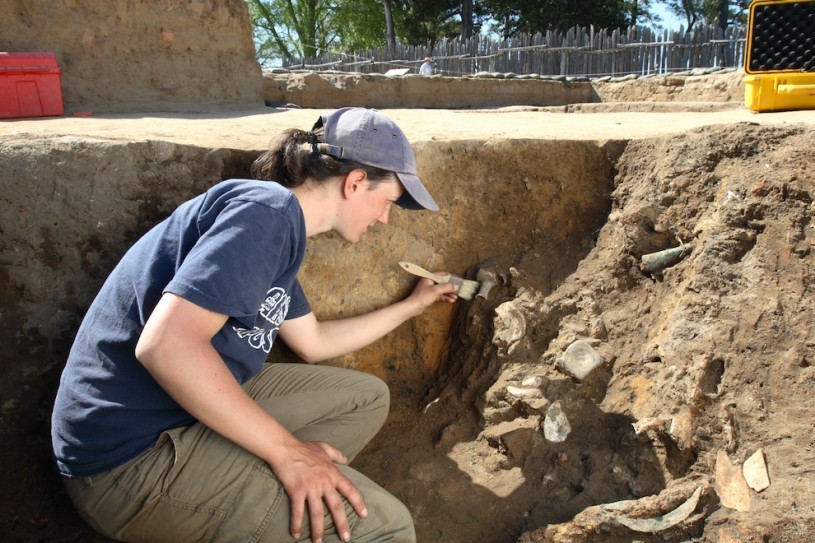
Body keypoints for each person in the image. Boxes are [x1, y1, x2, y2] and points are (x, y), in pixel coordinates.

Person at [51, 107, 458, 543]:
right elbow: (166, 347)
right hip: (127, 461)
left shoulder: (279, 227)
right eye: (389, 202)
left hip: (174, 417)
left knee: (366, 398)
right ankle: (270, 485)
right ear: (355, 182)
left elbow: (313, 342)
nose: (384, 219)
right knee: (389, 528)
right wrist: (287, 451)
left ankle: (260, 490)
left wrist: (413, 306)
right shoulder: (267, 215)